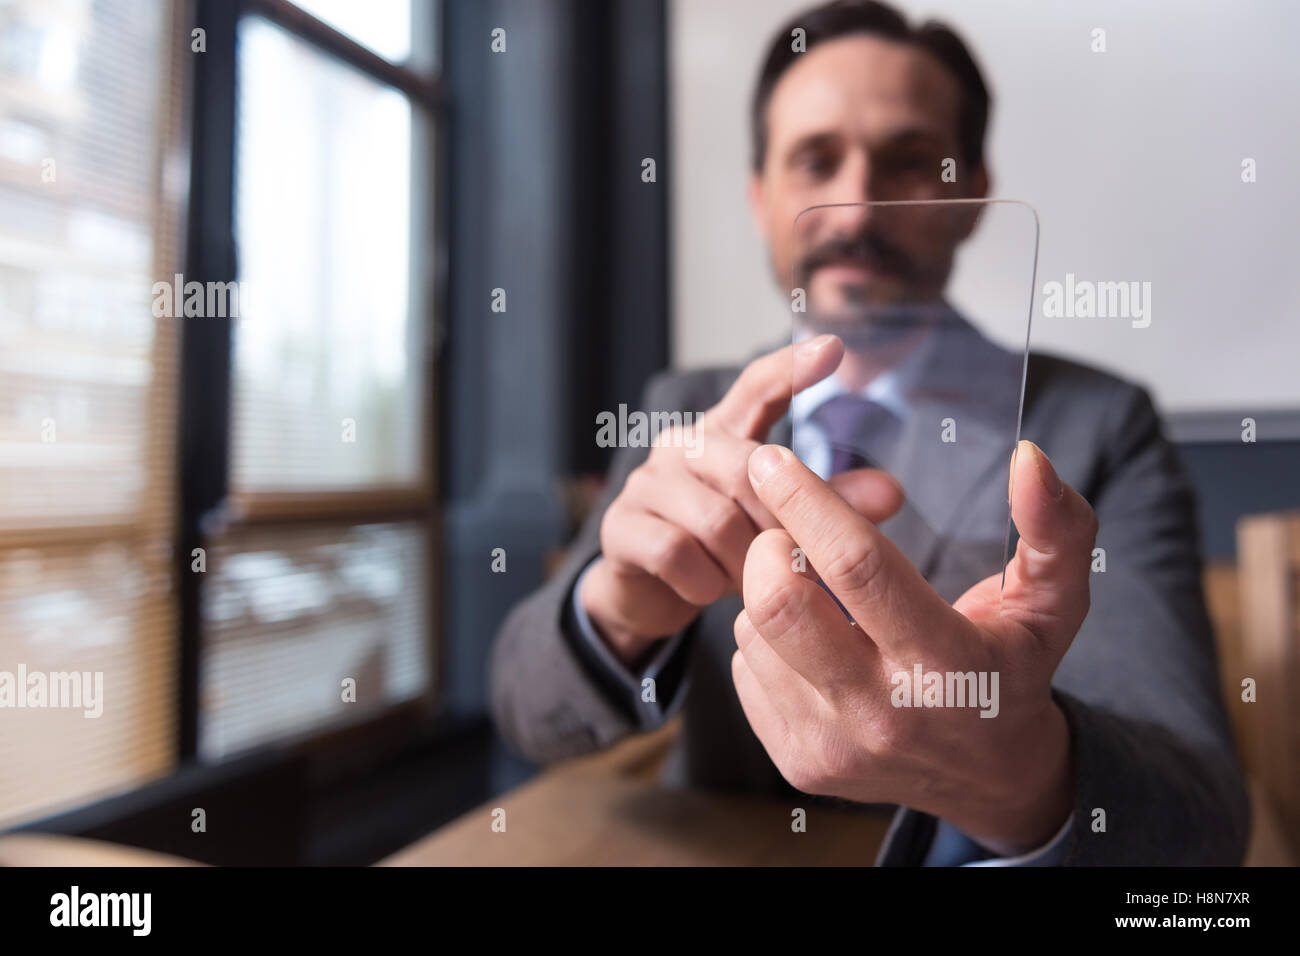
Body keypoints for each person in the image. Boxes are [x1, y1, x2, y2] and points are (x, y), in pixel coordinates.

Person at [490, 0, 1248, 865]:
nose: (856, 207)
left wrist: (1013, 776)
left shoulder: (1099, 425)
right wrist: (616, 609)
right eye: (815, 161)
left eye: (909, 160)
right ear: (761, 198)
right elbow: (523, 704)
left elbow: (1204, 823)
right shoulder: (685, 405)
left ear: (968, 195)